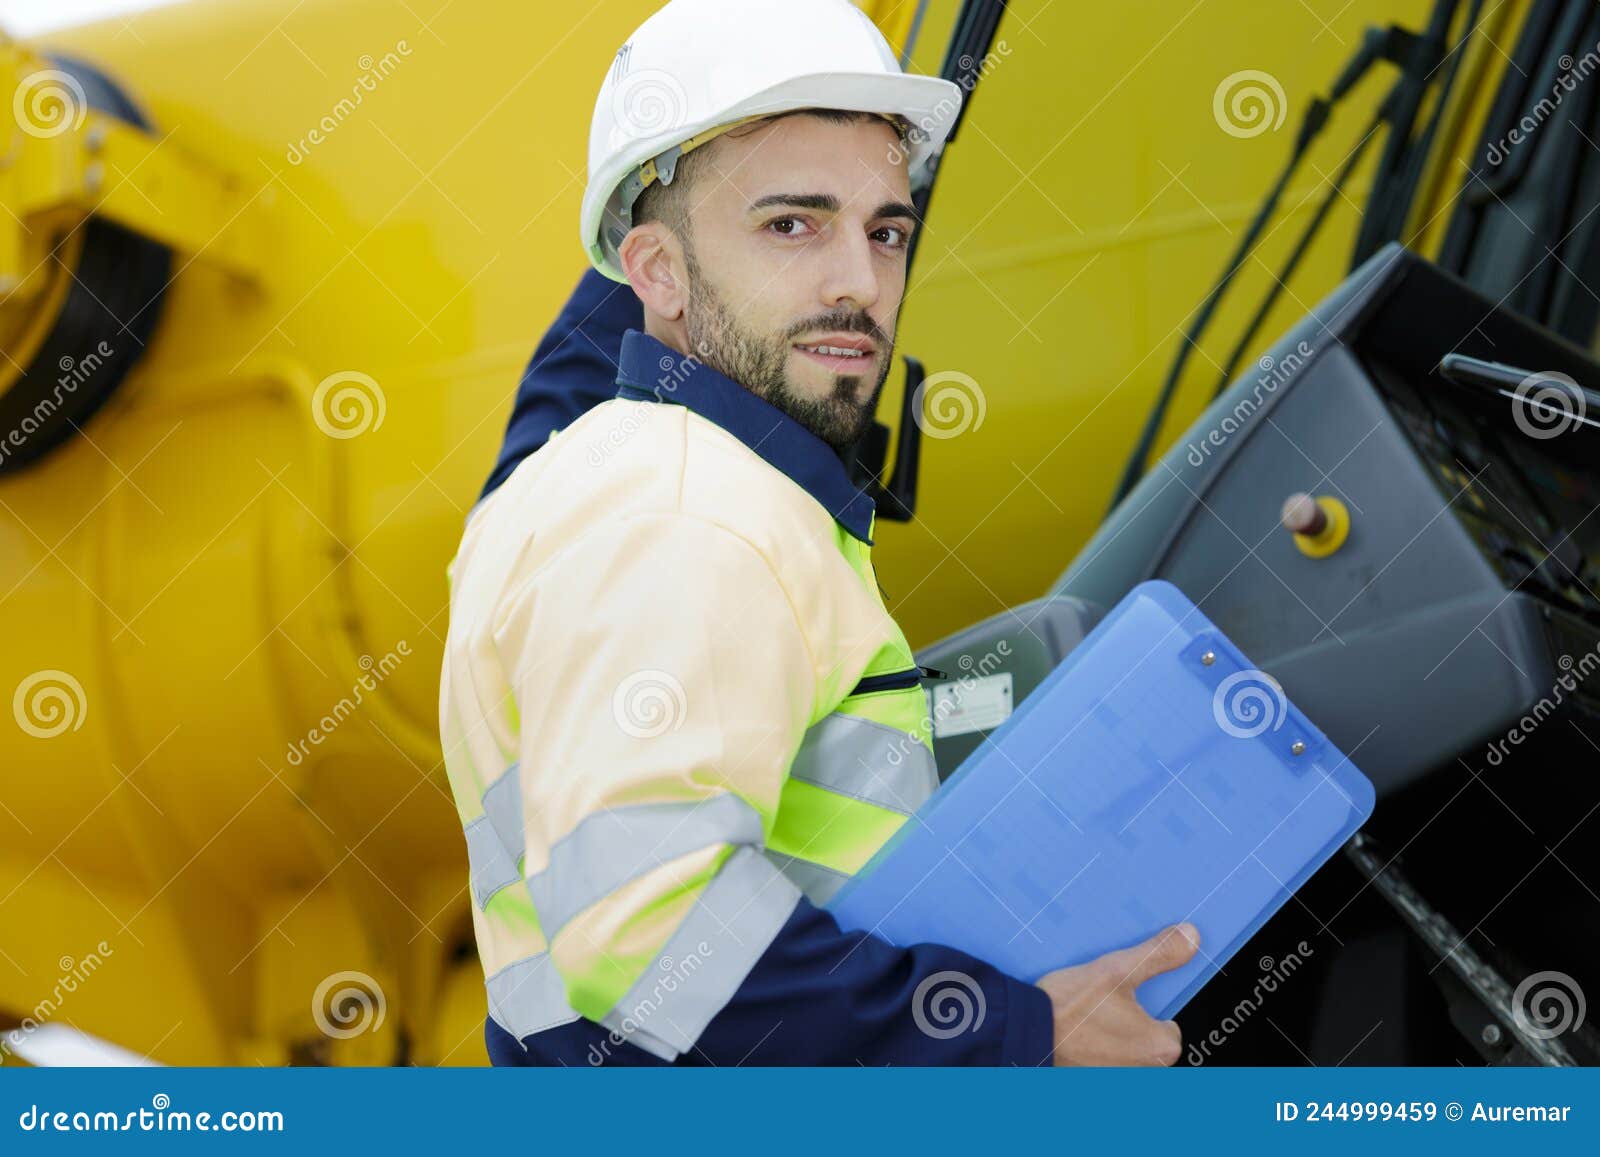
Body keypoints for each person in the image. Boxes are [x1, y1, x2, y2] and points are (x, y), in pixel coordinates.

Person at [440, 0, 1198, 1066]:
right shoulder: (689, 513)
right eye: (791, 225)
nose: (860, 284)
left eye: (886, 232)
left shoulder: (595, 478)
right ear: (653, 272)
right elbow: (650, 932)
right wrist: (1011, 1031)